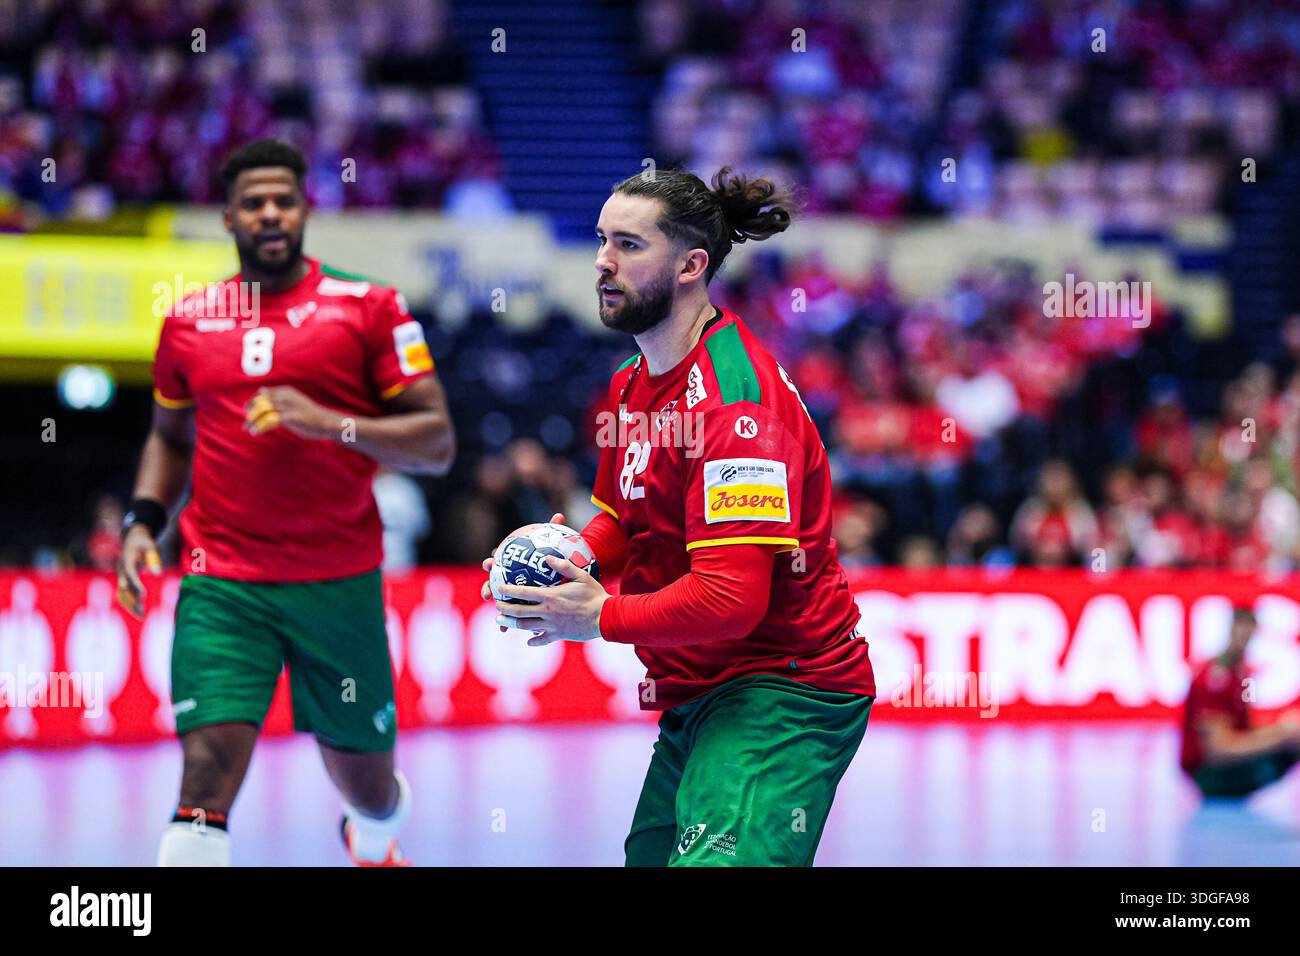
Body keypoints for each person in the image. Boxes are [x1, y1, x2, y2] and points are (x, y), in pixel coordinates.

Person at [484, 167, 875, 866]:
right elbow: (619, 518)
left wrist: (594, 615)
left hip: (781, 688)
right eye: (603, 240)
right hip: (699, 689)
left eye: (629, 246)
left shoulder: (733, 407)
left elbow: (732, 599)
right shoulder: (631, 383)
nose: (603, 260)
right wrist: (559, 560)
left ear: (692, 265)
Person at [115, 139, 455, 866]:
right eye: (253, 203)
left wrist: (329, 420)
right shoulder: (187, 321)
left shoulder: (369, 306)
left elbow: (436, 442)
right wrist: (144, 520)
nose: (270, 213)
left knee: (370, 790)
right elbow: (169, 439)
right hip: (223, 582)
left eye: (285, 200)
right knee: (205, 773)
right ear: (229, 218)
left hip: (338, 584)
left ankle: (371, 832)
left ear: (305, 210)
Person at [1180, 607, 1300, 798]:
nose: (1243, 644)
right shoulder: (1213, 680)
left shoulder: (1242, 676)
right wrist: (1281, 736)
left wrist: (1283, 728)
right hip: (1208, 774)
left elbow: (1245, 730)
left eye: (1248, 638)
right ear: (1230, 631)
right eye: (1240, 636)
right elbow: (1218, 750)